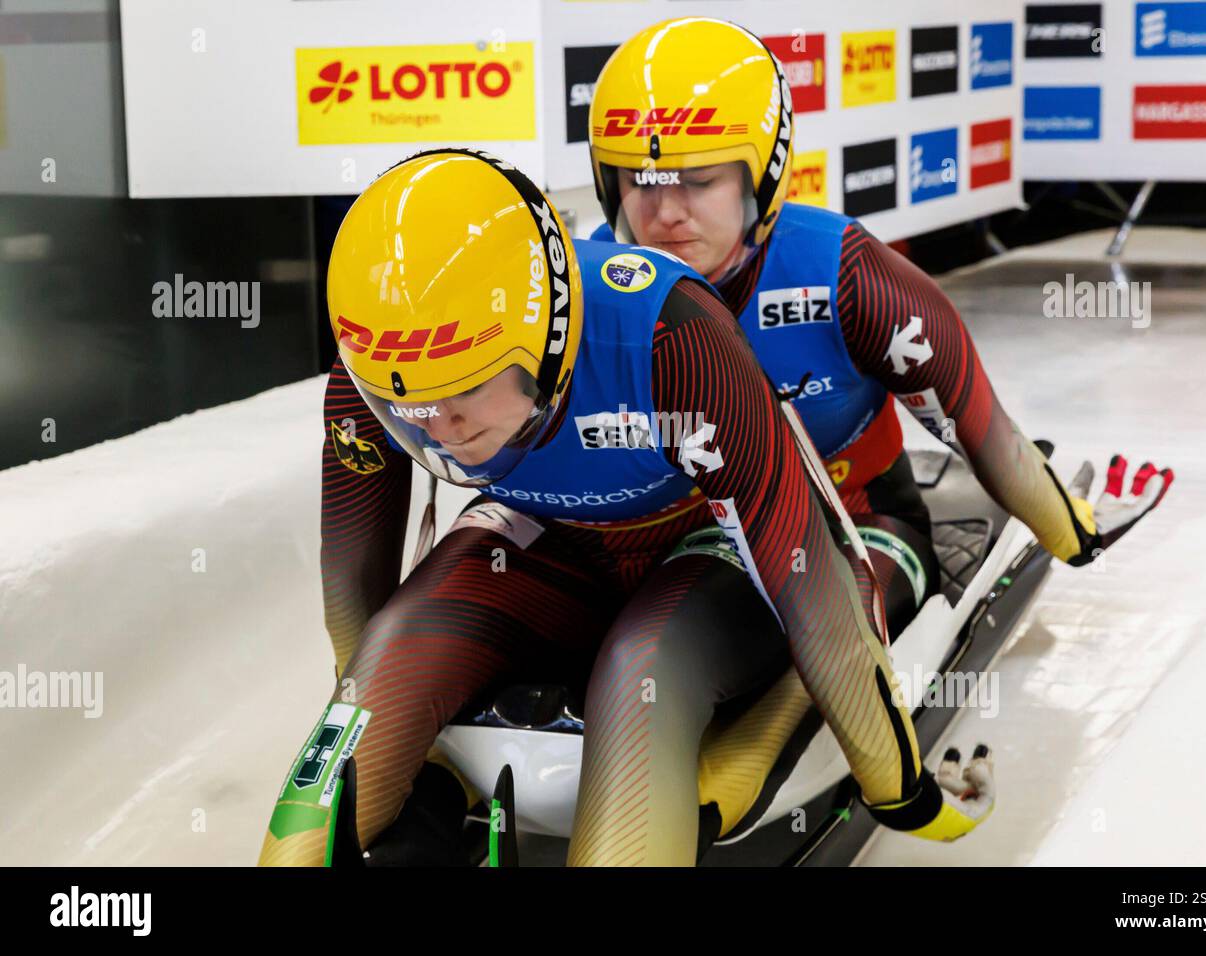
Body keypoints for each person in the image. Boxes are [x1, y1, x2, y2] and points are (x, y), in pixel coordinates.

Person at [258, 147, 1006, 867]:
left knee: (644, 665)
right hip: (553, 542)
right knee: (395, 644)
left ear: (548, 341)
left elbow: (810, 584)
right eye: (404, 404)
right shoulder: (369, 375)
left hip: (707, 538)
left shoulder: (670, 334)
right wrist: (402, 757)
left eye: (463, 387)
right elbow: (356, 607)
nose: (437, 427)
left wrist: (901, 793)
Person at [566, 17, 1175, 858]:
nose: (664, 213)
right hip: (676, 546)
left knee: (797, 624)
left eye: (699, 180)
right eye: (638, 180)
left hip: (853, 522)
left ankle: (792, 730)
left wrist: (1071, 533)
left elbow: (981, 428)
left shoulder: (842, 274)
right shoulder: (578, 287)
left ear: (762, 175)